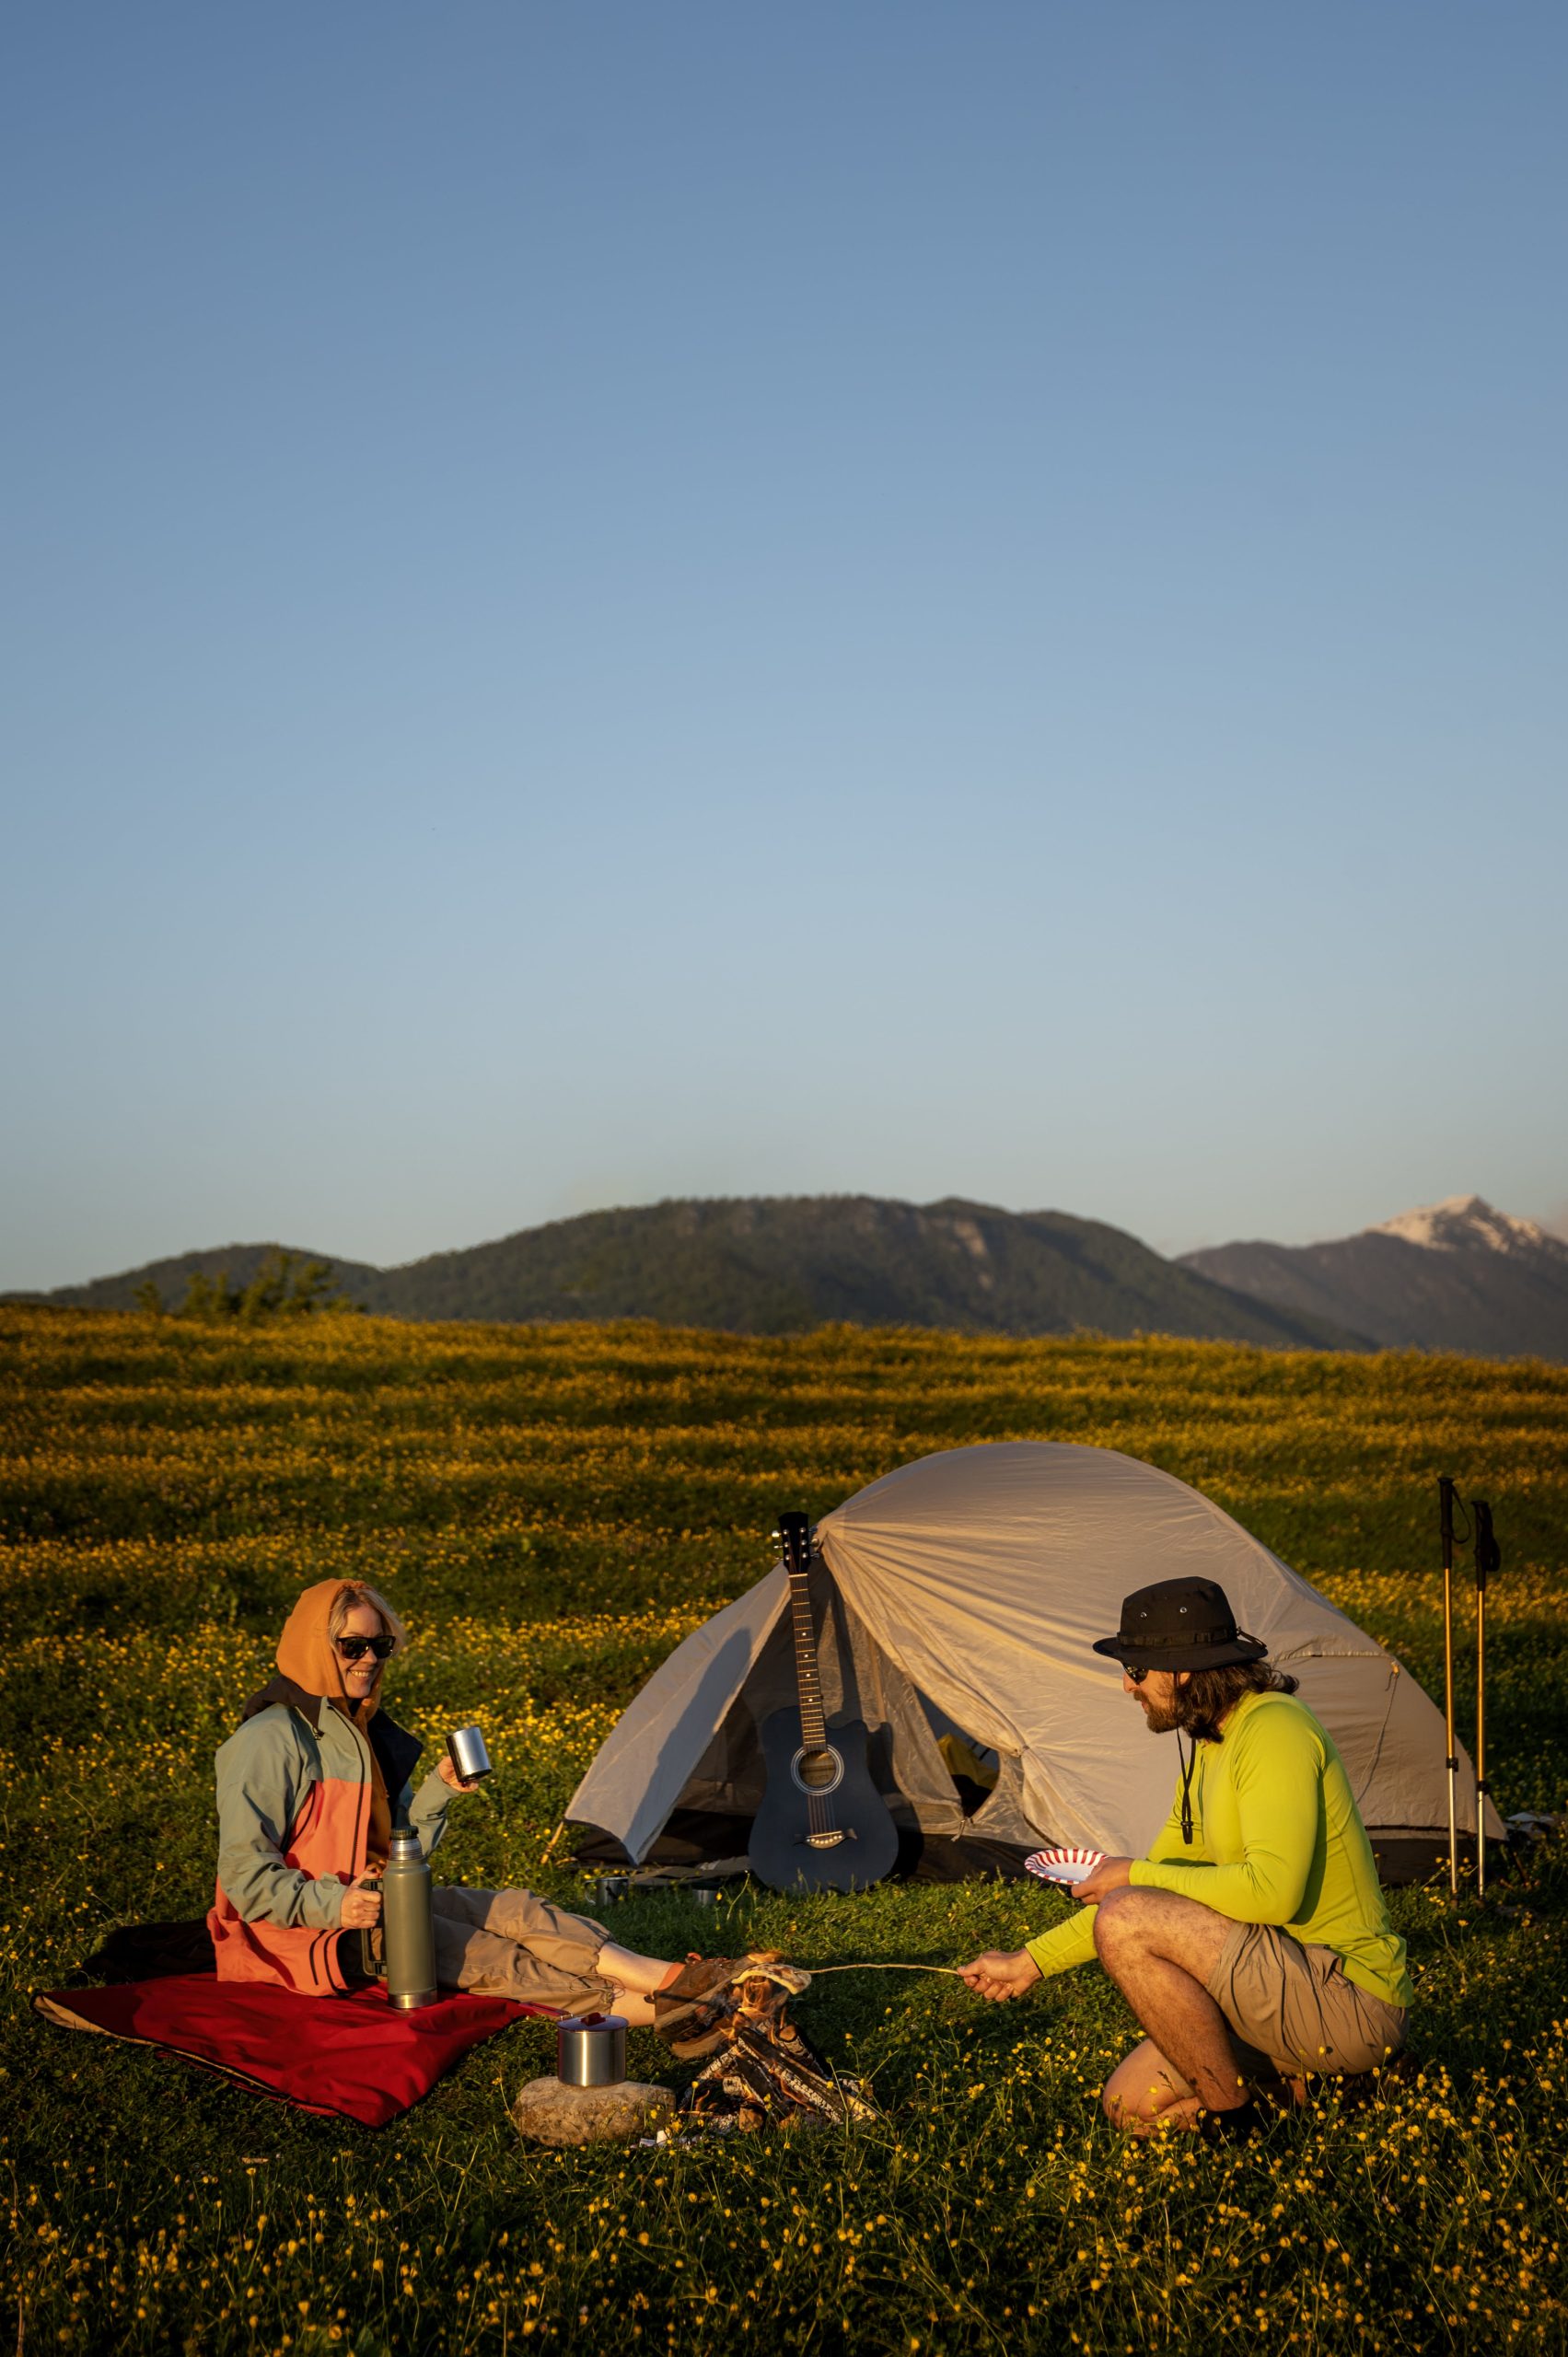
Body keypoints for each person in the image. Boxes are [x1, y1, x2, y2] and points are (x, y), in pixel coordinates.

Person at [958, 1576, 1412, 2142]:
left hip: (1344, 1996)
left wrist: (1132, 1874)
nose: (1127, 1686)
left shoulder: (1275, 1729)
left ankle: (1236, 2126)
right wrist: (1030, 1962)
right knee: (1129, 2107)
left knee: (1127, 1914)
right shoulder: (1209, 1746)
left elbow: (1272, 1893)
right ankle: (1323, 2091)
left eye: (1136, 1669)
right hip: (1277, 1988)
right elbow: (1145, 1896)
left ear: (1184, 1671)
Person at [208, 1578, 731, 2032]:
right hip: (302, 1931)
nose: (369, 1659)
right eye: (353, 1646)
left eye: (379, 1645)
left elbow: (399, 1851)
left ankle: (686, 1980)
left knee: (519, 1911)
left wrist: (438, 1790)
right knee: (489, 1954)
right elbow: (244, 1876)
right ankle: (688, 2012)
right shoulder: (269, 1740)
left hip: (378, 1900)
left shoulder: (358, 1728)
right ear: (315, 1648)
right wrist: (336, 1904)